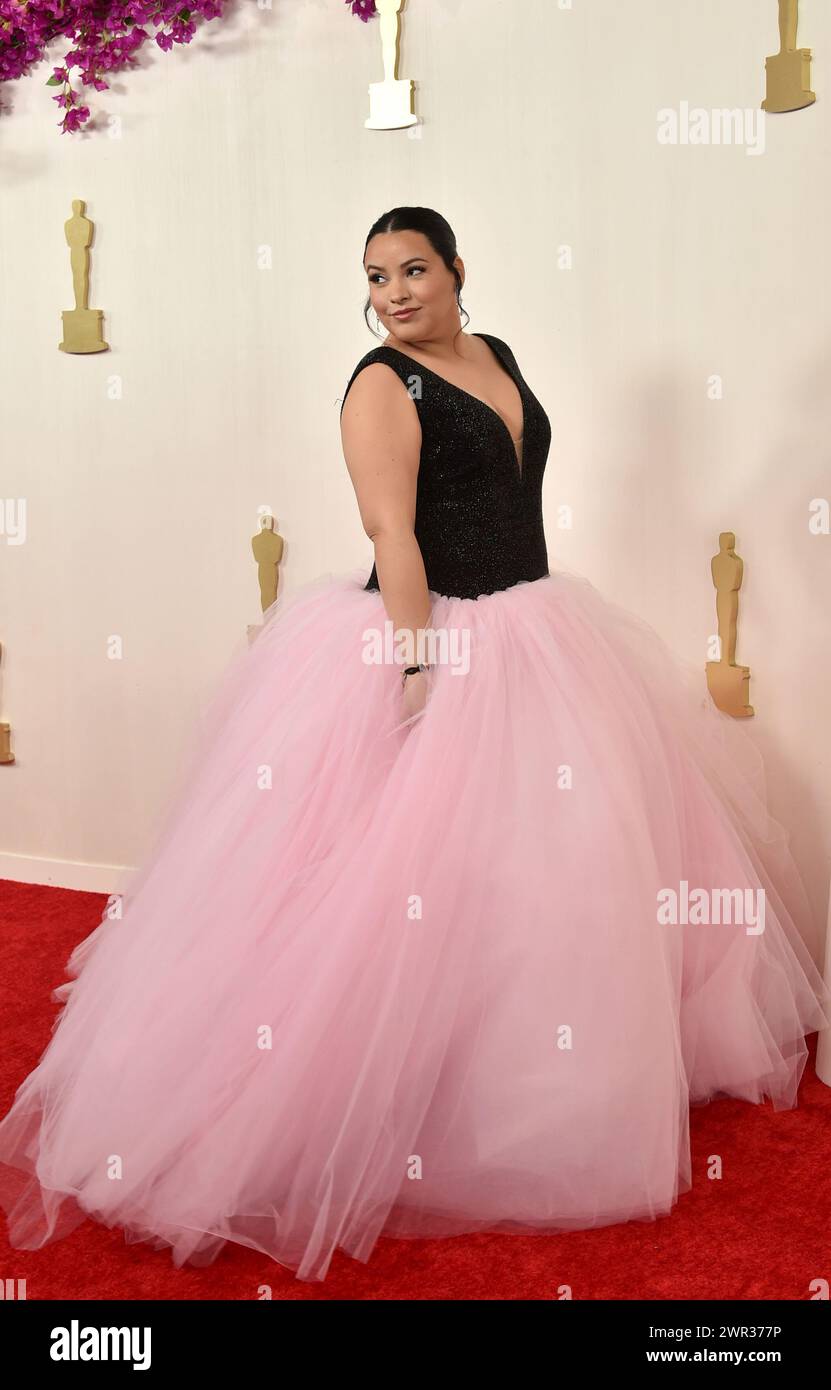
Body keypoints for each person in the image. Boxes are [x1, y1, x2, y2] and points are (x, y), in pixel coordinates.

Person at [0, 206, 828, 1286]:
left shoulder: (497, 355)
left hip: (538, 624)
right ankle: (405, 1098)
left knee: (559, 873)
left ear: (456, 270)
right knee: (405, 887)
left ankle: (550, 1079)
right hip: (436, 630)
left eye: (414, 270)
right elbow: (394, 532)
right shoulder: (381, 385)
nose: (394, 293)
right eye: (376, 276)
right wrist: (419, 667)